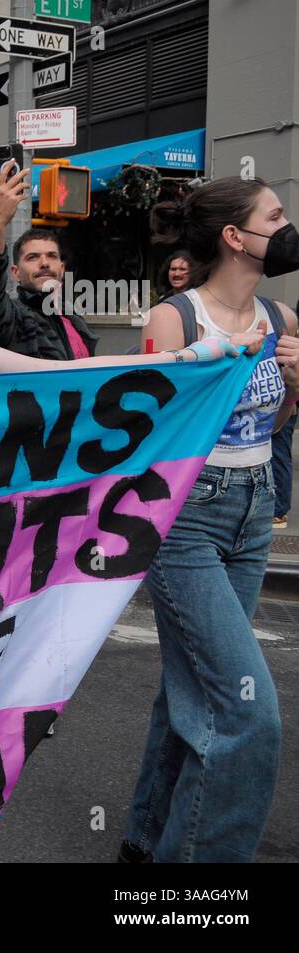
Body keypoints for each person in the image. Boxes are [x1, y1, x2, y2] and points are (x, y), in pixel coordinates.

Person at [116, 177, 299, 864]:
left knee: (188, 685)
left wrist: (294, 388)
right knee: (246, 707)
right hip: (187, 513)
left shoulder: (283, 318)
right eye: (275, 216)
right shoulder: (176, 319)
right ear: (234, 236)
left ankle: (142, 837)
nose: (286, 227)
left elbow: (274, 423)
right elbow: (151, 434)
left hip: (253, 507)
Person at [0, 162, 98, 360]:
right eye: (32, 257)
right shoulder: (12, 318)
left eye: (52, 256)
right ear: (15, 272)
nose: (44, 263)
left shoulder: (72, 317)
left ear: (62, 268)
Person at [273, 300, 299, 529]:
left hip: (289, 397)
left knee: (280, 452)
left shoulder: (285, 319)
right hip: (285, 396)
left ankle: (279, 509)